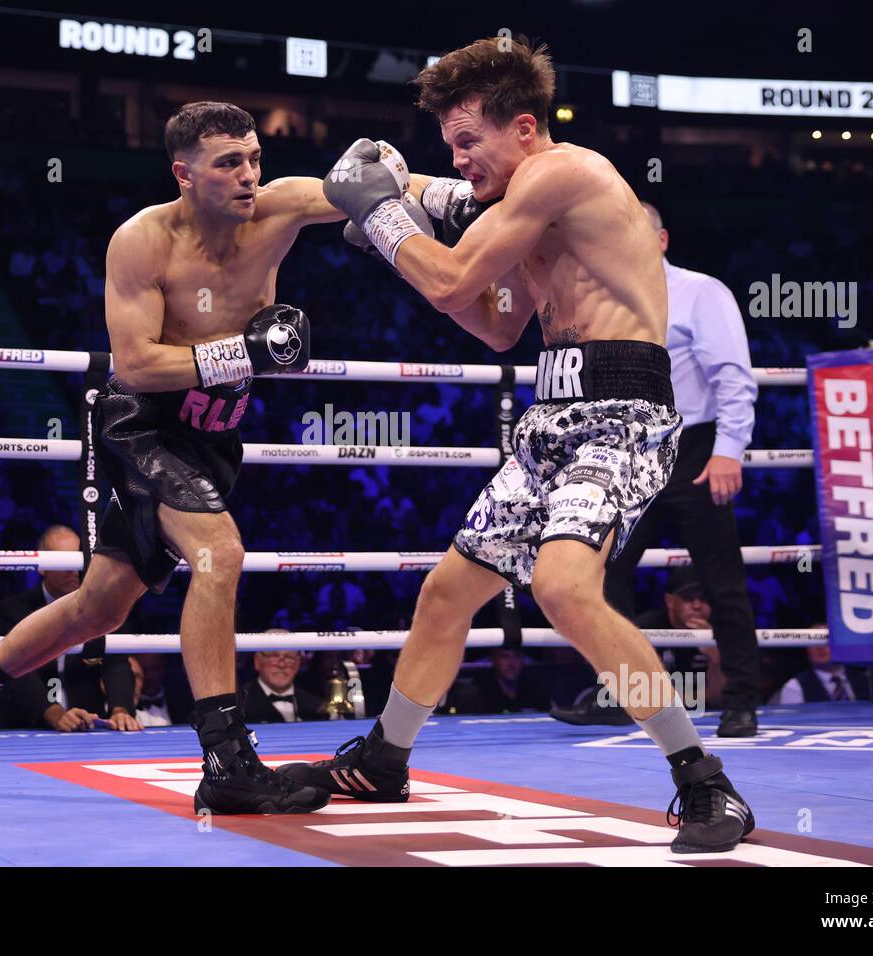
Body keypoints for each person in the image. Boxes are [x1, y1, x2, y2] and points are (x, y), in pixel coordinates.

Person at [282, 36, 754, 852]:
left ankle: (706, 782)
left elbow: (448, 277)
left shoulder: (563, 173)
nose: (459, 159)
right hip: (552, 416)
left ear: (525, 127)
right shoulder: (524, 205)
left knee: (564, 588)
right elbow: (496, 324)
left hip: (623, 414)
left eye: (470, 140)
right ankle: (387, 758)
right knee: (446, 592)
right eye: (450, 145)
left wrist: (386, 216)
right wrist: (393, 211)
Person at [0, 101, 348, 814]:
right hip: (142, 426)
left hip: (213, 436)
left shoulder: (279, 208)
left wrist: (465, 194)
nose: (248, 175)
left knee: (98, 608)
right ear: (184, 174)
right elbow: (137, 364)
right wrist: (245, 352)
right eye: (228, 163)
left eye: (254, 158)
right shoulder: (142, 240)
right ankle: (226, 761)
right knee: (219, 554)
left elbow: (371, 185)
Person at [603, 203, 762, 737]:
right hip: (631, 449)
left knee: (720, 578)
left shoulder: (701, 292)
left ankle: (742, 700)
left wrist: (729, 449)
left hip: (694, 447)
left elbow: (733, 376)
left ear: (662, 239)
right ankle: (624, 697)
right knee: (603, 571)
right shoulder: (607, 295)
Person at [0, 525, 137, 733]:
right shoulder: (12, 611)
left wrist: (120, 710)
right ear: (42, 567)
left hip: (87, 725)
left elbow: (116, 662)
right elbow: (13, 668)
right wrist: (52, 712)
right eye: (63, 560)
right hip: (25, 726)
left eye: (76, 558)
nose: (72, 569)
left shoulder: (101, 607)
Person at [551, 566, 722, 725]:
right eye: (688, 599)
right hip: (651, 717)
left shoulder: (721, 630)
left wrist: (715, 657)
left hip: (705, 717)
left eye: (703, 599)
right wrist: (693, 697)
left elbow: (718, 698)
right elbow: (629, 696)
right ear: (670, 601)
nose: (697, 606)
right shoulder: (645, 629)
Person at [240, 651, 326, 723]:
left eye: (289, 657)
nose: (281, 665)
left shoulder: (317, 705)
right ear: (258, 661)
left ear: (297, 663)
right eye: (273, 656)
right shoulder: (238, 705)